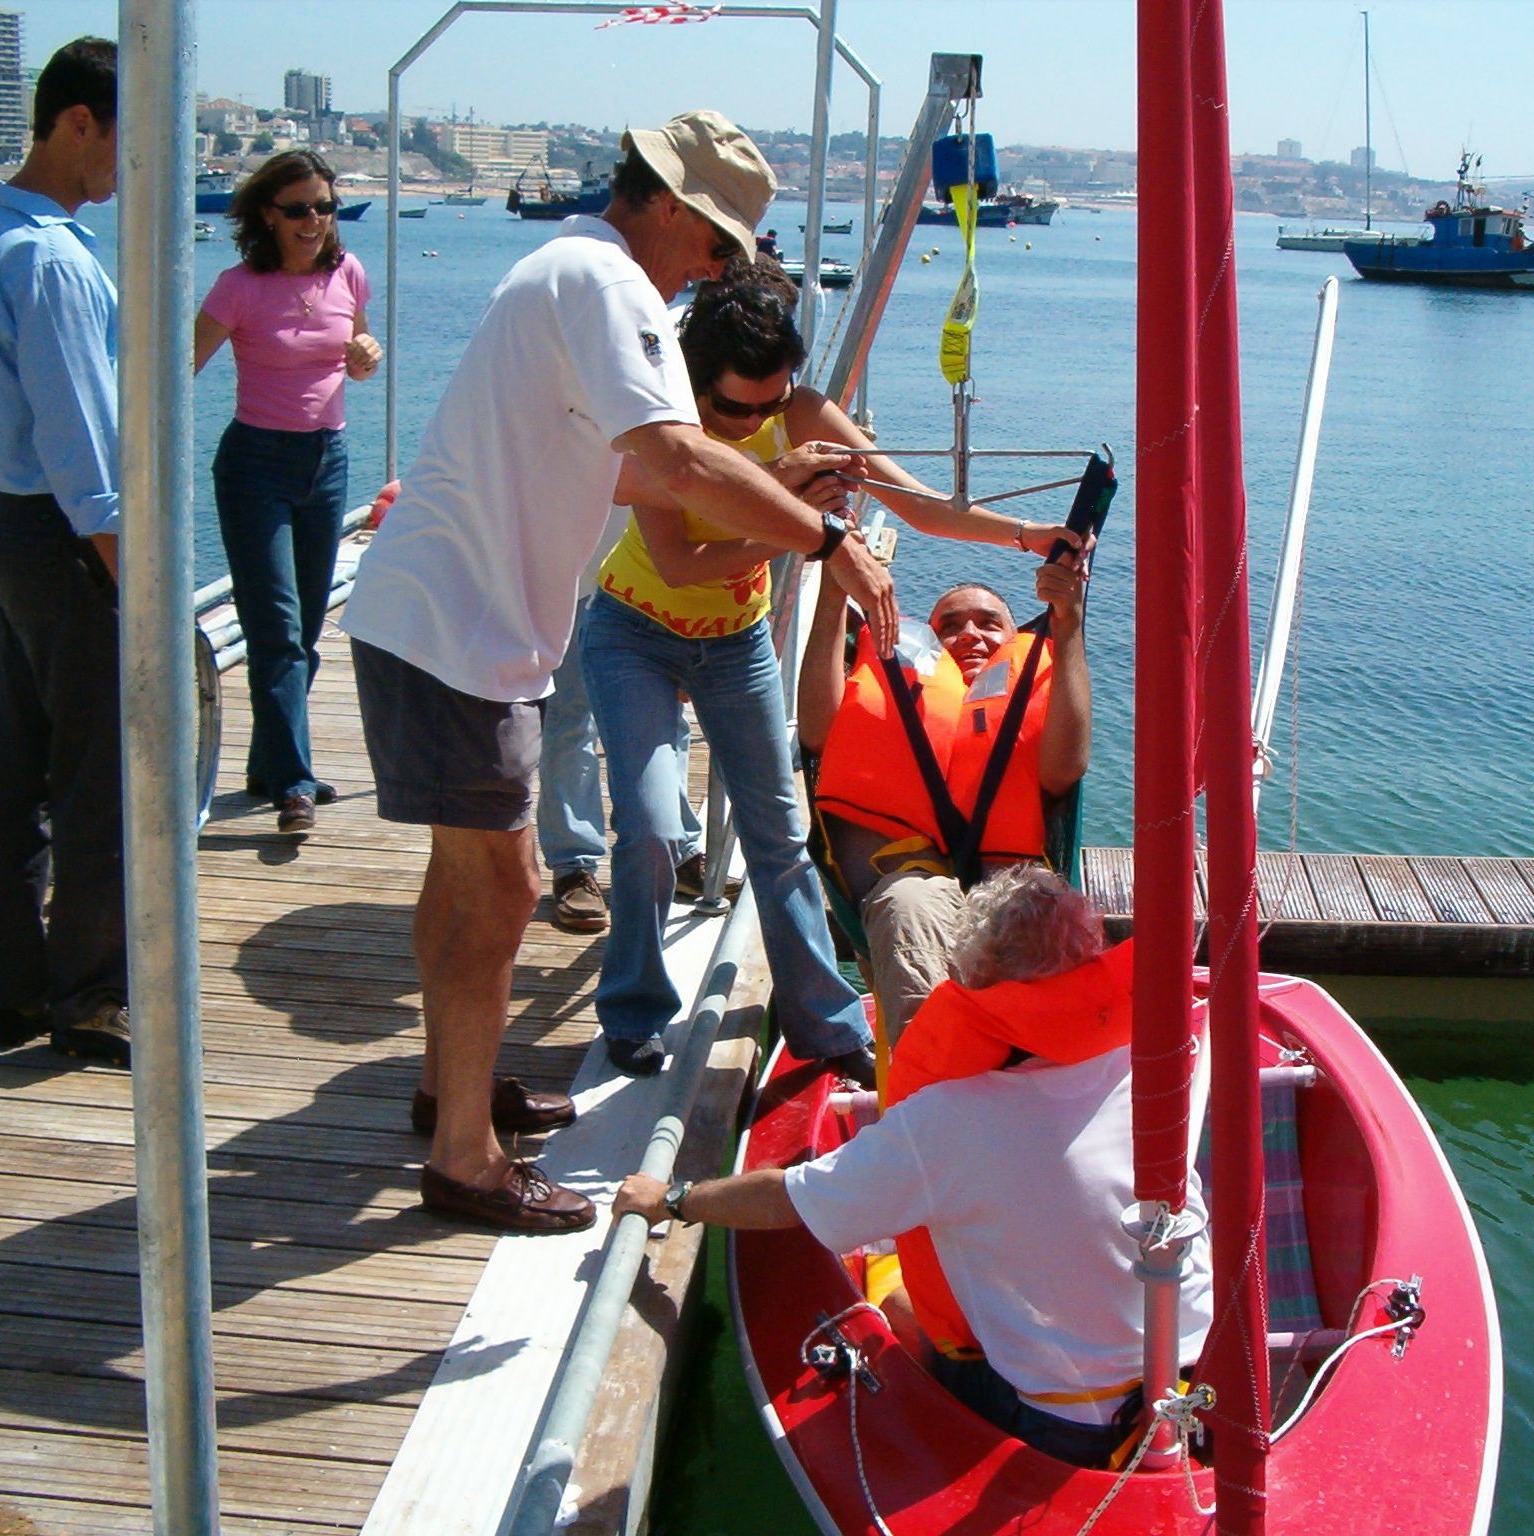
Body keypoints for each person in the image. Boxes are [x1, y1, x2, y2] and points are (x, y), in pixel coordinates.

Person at [340, 109, 898, 1231]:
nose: (712, 272)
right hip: (461, 628)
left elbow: (636, 477)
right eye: (714, 245)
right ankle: (464, 1161)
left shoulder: (567, 272)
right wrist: (820, 538)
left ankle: (450, 1089)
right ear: (673, 209)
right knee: (500, 888)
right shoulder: (608, 285)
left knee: (462, 880)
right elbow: (675, 457)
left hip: (441, 615)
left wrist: (785, 479)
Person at [581, 263, 1072, 1079]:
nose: (757, 418)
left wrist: (1028, 534)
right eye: (736, 408)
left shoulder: (798, 414)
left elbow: (918, 507)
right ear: (694, 384)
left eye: (772, 403)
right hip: (637, 627)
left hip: (735, 640)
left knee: (781, 836)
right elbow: (683, 564)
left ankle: (830, 1028)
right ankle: (634, 1011)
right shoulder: (664, 431)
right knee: (651, 832)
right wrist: (797, 515)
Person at [615, 867, 1211, 1468]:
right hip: (1202, 1381)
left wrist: (673, 1198)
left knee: (898, 1300)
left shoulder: (945, 1122)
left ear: (971, 980)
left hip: (1063, 1422)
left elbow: (786, 1201)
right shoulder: (1162, 1062)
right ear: (1092, 961)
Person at [0, 37, 130, 1068]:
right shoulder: (54, 260)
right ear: (77, 124)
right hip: (60, 535)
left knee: (11, 770)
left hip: (1, 523)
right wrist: (128, 575)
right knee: (98, 773)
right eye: (120, 142)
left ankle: (11, 989)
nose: (124, 172)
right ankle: (93, 995)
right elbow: (84, 452)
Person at [798, 560, 1091, 1037]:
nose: (970, 633)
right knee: (910, 905)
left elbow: (1066, 769)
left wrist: (1070, 625)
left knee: (1034, 917)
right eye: (949, 626)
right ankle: (934, 1083)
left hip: (1007, 887)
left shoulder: (1036, 692)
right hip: (902, 880)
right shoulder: (895, 683)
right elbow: (816, 734)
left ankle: (1033, 1077)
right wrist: (832, 596)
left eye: (989, 623)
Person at [194, 150, 382, 835]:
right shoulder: (238, 287)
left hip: (325, 461)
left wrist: (367, 355)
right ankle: (295, 785)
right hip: (254, 465)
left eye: (324, 207)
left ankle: (269, 764)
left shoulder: (350, 273)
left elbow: (359, 350)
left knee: (303, 626)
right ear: (267, 214)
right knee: (275, 630)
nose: (314, 221)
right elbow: (178, 365)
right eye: (298, 208)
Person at [536, 504, 707, 936]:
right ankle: (574, 864)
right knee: (569, 720)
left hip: (653, 572)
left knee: (668, 717)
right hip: (570, 573)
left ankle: (679, 850)